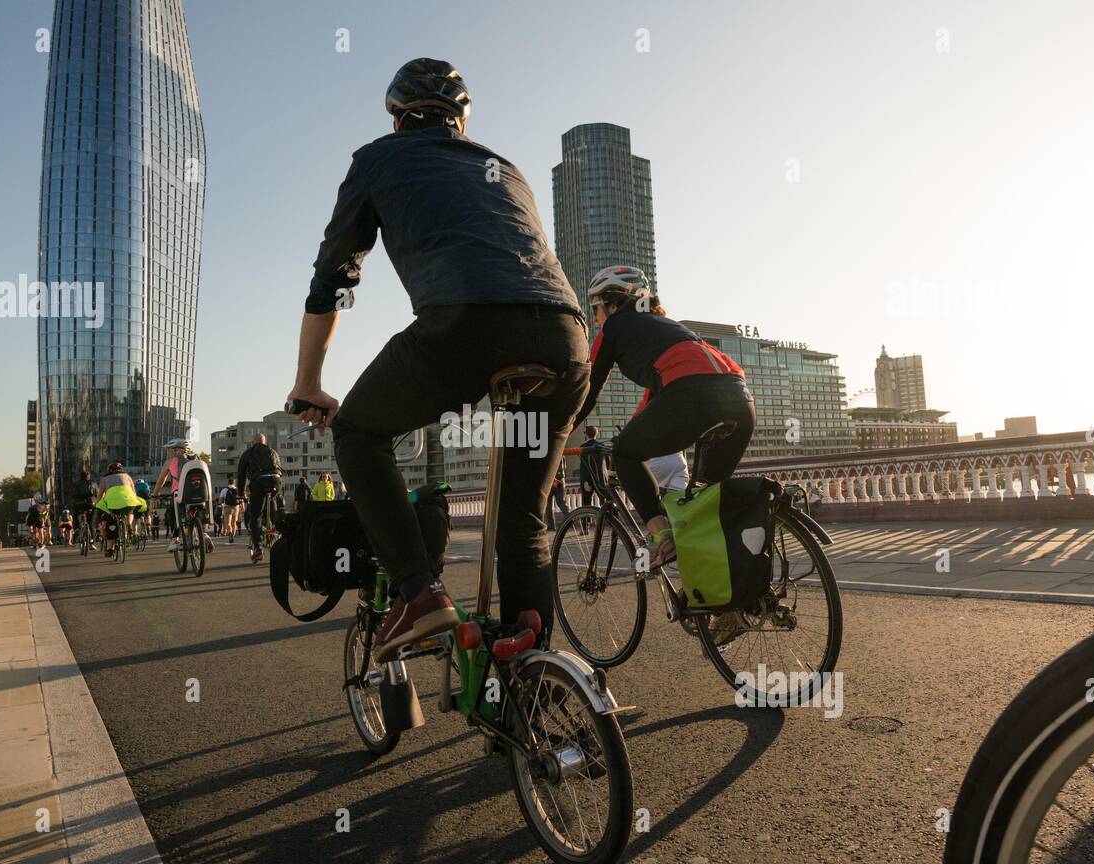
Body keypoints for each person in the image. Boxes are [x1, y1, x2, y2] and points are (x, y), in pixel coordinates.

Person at [288, 58, 589, 655]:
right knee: (524, 518)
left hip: (464, 325)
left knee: (357, 433)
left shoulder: (375, 160)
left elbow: (333, 280)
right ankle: (532, 671)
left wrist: (309, 383)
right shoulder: (504, 168)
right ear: (462, 119)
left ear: (397, 119)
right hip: (563, 337)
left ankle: (419, 593)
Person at [575, 265, 755, 566]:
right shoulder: (667, 329)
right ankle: (725, 604)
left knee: (624, 453)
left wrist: (562, 430)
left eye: (596, 308)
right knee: (703, 506)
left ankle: (660, 536)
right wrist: (634, 428)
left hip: (691, 395)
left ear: (614, 304)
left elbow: (588, 388)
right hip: (740, 399)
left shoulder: (615, 328)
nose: (595, 318)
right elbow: (654, 401)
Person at [236, 433, 283, 562]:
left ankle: (257, 548)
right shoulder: (273, 452)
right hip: (276, 480)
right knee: (272, 498)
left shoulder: (248, 453)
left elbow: (241, 475)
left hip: (259, 482)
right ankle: (274, 528)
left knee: (255, 514)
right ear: (265, 442)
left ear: (253, 442)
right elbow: (279, 469)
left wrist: (241, 494)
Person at [93, 462, 146, 556]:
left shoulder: (104, 479)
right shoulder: (127, 476)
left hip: (113, 504)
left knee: (111, 522)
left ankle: (110, 548)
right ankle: (128, 524)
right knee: (130, 511)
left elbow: (100, 496)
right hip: (128, 501)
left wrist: (96, 505)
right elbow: (133, 492)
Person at [151, 440, 189, 550]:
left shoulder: (170, 462)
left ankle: (175, 540)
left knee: (173, 514)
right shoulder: (195, 459)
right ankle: (203, 534)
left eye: (169, 450)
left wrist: (155, 494)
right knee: (196, 509)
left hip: (179, 492)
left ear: (176, 450)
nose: (168, 452)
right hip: (196, 491)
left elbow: (161, 480)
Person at [72, 470, 98, 549]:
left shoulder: (76, 484)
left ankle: (76, 528)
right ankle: (91, 542)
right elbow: (96, 495)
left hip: (78, 505)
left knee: (76, 516)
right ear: (89, 476)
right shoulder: (93, 484)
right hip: (90, 505)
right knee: (91, 523)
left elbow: (73, 495)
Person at [543, 460, 568, 531]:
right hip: (559, 480)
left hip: (551, 480)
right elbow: (563, 467)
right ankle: (569, 520)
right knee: (561, 502)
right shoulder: (560, 453)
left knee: (549, 504)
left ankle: (551, 526)